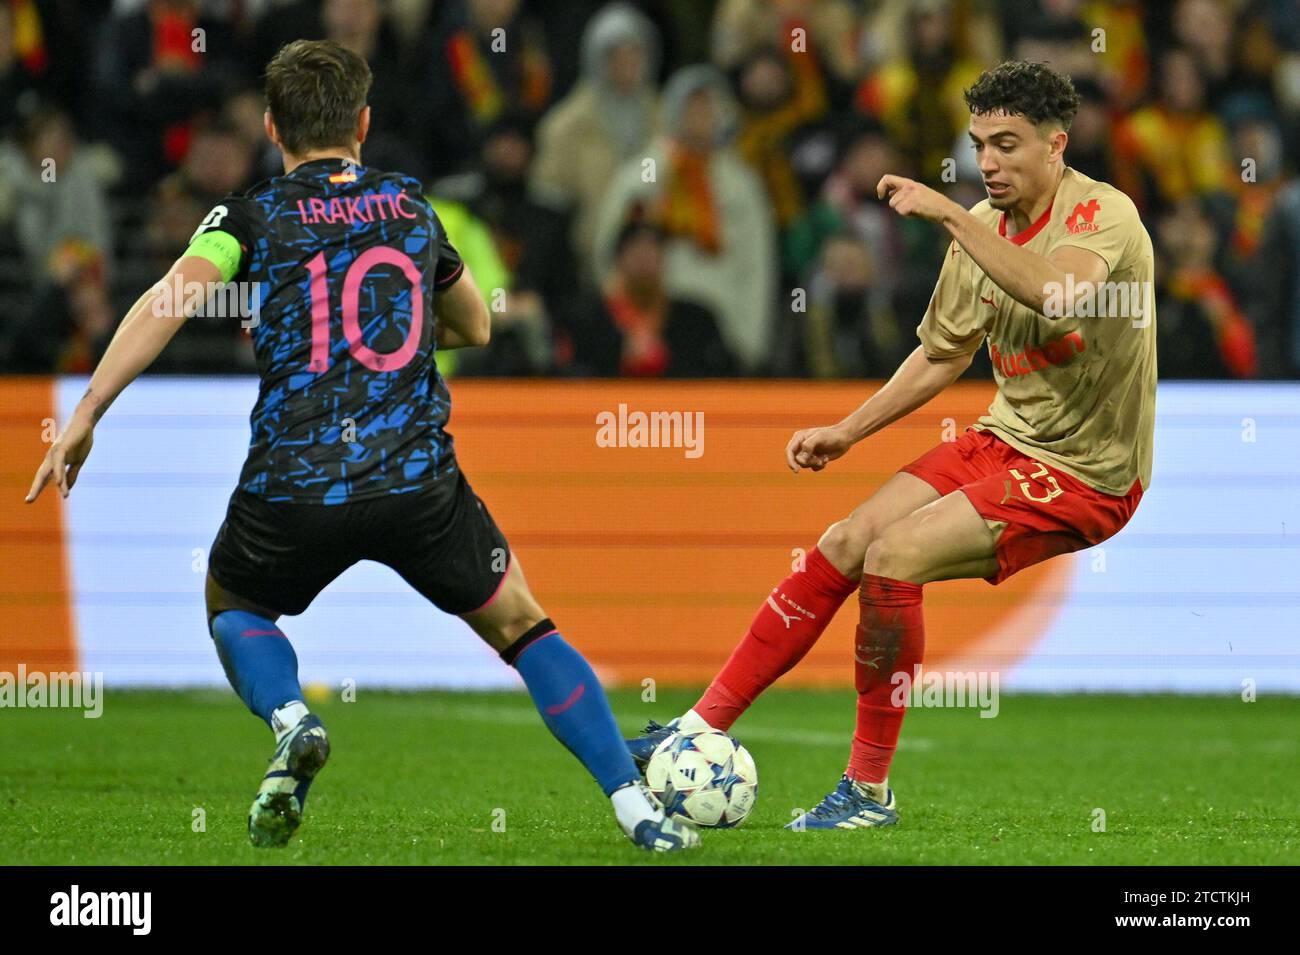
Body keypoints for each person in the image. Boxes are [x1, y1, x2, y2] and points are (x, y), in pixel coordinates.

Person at [26, 39, 697, 854]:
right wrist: (390, 337)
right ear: (365, 123)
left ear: (273, 127)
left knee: (232, 605)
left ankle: (291, 716)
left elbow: (170, 298)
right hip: (416, 479)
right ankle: (636, 806)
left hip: (295, 480)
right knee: (524, 627)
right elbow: (477, 326)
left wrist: (91, 406)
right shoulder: (412, 208)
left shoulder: (251, 214)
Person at [627, 60, 1157, 830]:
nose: (991, 163)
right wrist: (847, 430)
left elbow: (1057, 292)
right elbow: (944, 354)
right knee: (847, 541)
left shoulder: (1102, 216)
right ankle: (699, 726)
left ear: (1057, 145)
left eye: (1008, 144)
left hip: (1089, 473)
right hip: (1006, 440)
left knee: (894, 558)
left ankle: (867, 793)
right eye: (980, 144)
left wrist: (950, 215)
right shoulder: (981, 227)